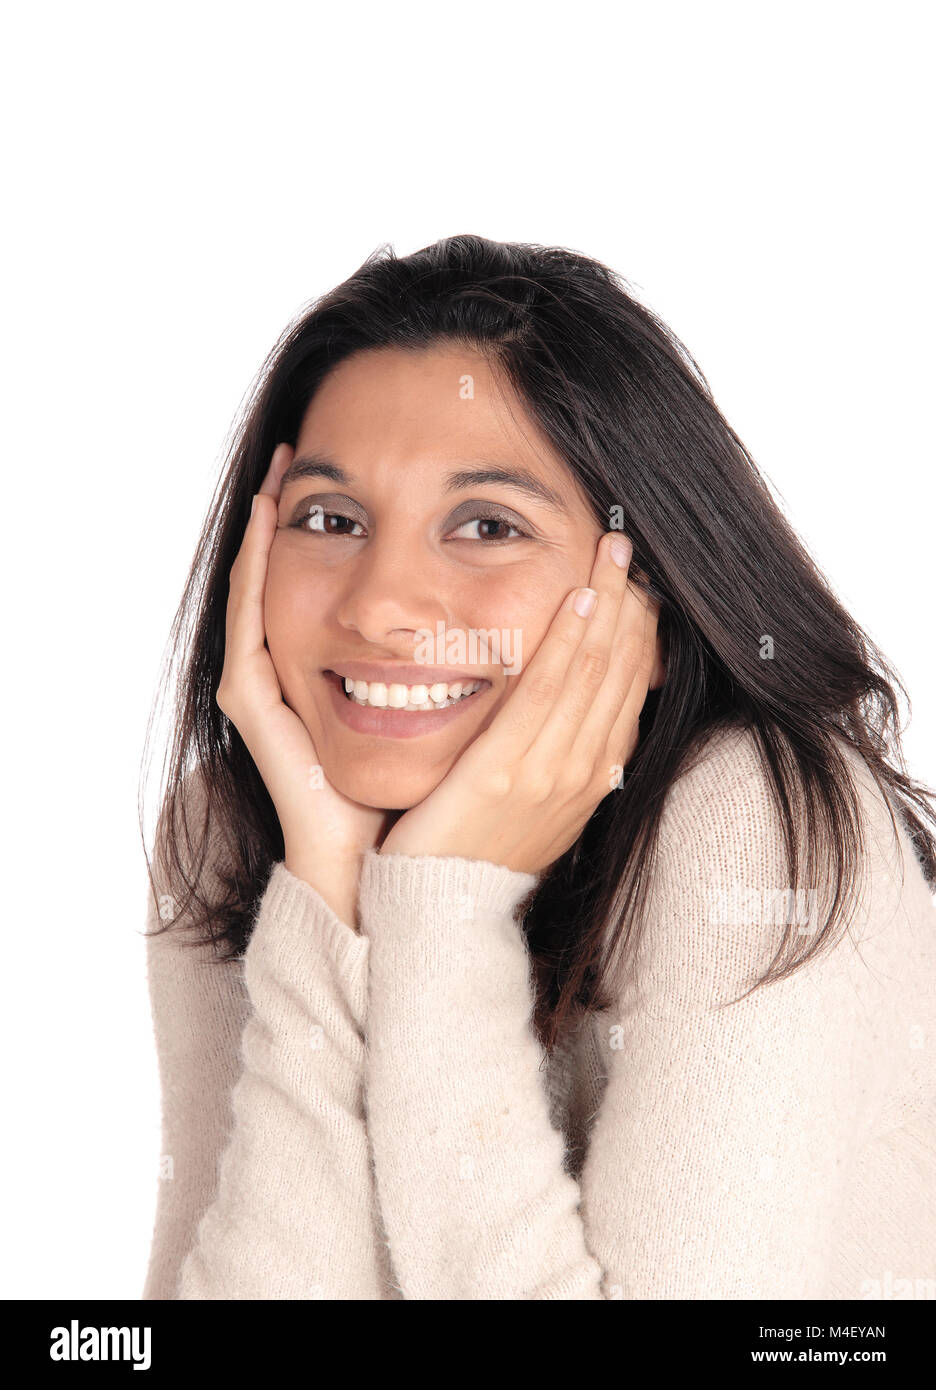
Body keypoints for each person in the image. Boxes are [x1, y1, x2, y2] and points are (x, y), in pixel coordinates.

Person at [140, 234, 936, 1300]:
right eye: (331, 519)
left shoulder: (755, 816)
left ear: (644, 592)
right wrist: (326, 901)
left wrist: (442, 912)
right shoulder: (237, 826)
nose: (379, 605)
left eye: (486, 524)